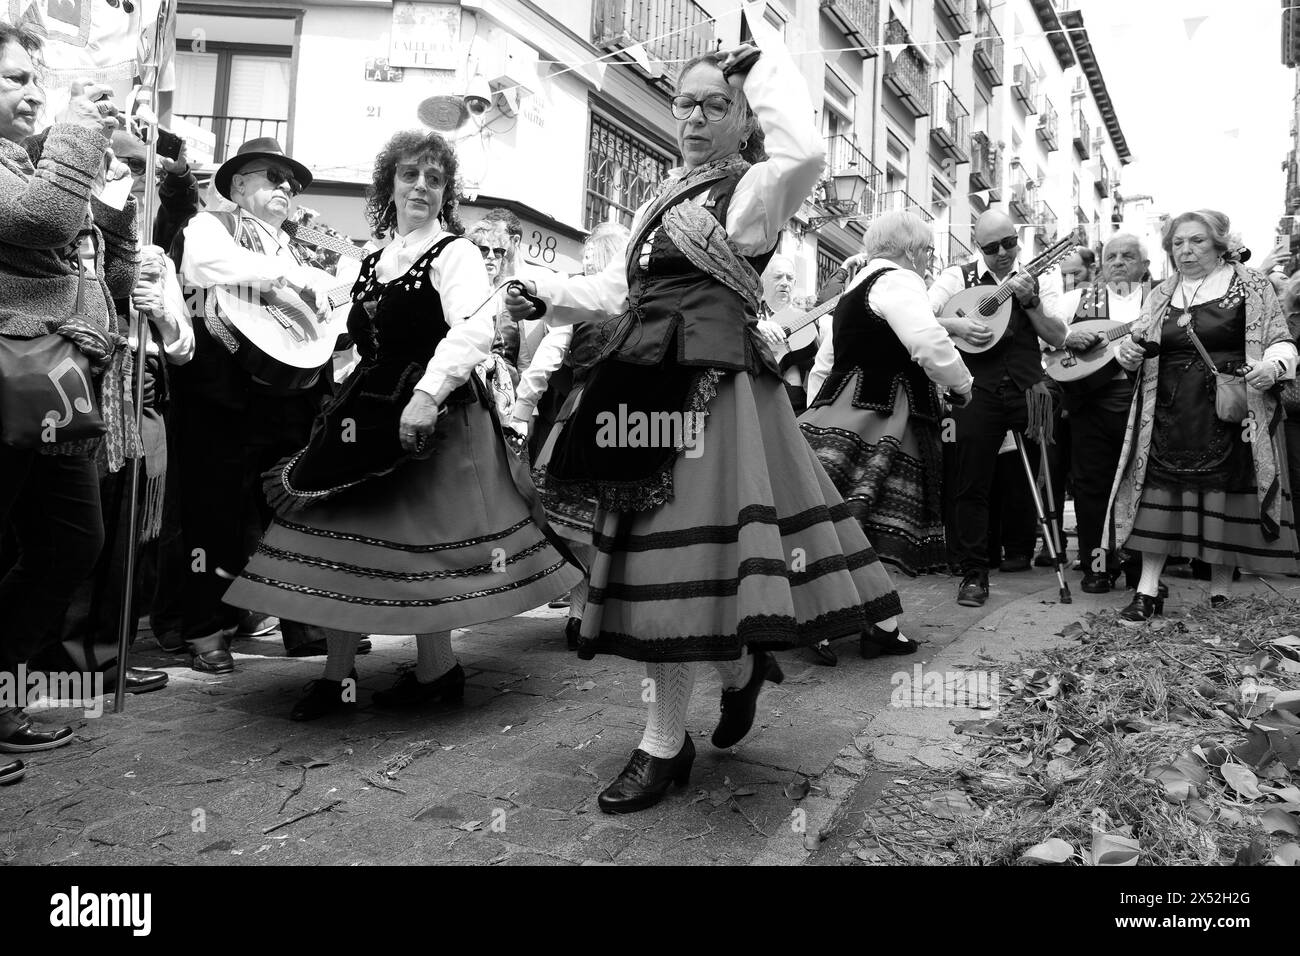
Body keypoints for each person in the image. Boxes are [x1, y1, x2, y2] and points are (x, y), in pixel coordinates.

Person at [507, 10, 902, 814]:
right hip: (637, 381)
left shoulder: (755, 189)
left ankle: (663, 743)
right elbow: (619, 292)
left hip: (711, 393)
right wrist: (545, 296)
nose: (692, 117)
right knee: (666, 565)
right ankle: (739, 672)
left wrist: (765, 66)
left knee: (678, 565)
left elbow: (809, 150)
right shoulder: (661, 197)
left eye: (712, 105)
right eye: (684, 104)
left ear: (743, 116)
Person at [222, 130, 582, 720]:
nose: (421, 186)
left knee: (416, 548)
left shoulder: (457, 254)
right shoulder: (370, 259)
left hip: (431, 415)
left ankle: (437, 671)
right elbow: (351, 337)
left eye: (434, 179)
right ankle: (340, 676)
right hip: (365, 410)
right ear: (390, 182)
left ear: (447, 194)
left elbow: (471, 328)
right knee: (341, 533)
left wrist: (424, 396)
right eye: (410, 175)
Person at [0, 25, 137, 770]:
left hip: (49, 389)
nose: (30, 90)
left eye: (33, 79)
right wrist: (81, 126)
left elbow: (88, 270)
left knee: (69, 542)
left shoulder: (27, 163)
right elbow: (40, 219)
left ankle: (4, 687)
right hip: (9, 379)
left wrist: (115, 237)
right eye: (13, 79)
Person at [27, 125, 194, 695]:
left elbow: (182, 345)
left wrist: (164, 319)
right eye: (118, 168)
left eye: (139, 173)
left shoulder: (147, 254)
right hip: (76, 399)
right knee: (73, 535)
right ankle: (53, 658)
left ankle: (102, 658)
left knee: (127, 539)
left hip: (137, 407)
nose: (132, 183)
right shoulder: (64, 239)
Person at [173, 137, 340, 673]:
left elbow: (337, 295)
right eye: (272, 176)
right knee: (213, 511)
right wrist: (294, 280)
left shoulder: (301, 246)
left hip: (289, 394)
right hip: (222, 393)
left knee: (291, 505)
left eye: (290, 181)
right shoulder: (211, 225)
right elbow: (210, 264)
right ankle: (204, 629)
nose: (286, 187)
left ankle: (305, 623)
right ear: (239, 184)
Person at [797, 212, 973, 665]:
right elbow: (926, 340)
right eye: (929, 251)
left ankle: (874, 625)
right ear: (911, 250)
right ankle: (843, 622)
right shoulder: (899, 281)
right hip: (884, 414)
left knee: (835, 516)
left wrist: (816, 412)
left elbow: (826, 361)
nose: (931, 260)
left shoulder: (854, 290)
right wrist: (962, 383)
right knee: (869, 520)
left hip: (838, 408)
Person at [1107, 210, 1299, 622]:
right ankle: (1147, 590)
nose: (1185, 251)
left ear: (1218, 244)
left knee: (1224, 493)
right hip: (1168, 412)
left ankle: (1220, 593)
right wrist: (1127, 353)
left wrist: (1273, 368)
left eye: (1196, 241)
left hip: (1229, 409)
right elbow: (1138, 343)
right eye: (1177, 243)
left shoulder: (1251, 285)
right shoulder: (1160, 294)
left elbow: (1281, 342)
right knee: (1158, 494)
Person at [928, 210, 1069, 607]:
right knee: (971, 480)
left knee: (1047, 466)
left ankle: (1045, 548)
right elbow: (920, 317)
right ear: (978, 247)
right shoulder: (957, 279)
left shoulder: (1035, 279)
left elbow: (1060, 338)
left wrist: (1032, 302)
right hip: (976, 390)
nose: (1004, 253)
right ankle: (974, 573)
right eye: (993, 248)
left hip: (1027, 389)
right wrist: (955, 327)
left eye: (1010, 243)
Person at [531, 221, 631, 647]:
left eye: (593, 260)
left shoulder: (601, 301)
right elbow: (548, 355)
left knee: (581, 516)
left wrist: (522, 406)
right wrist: (522, 404)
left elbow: (548, 357)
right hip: (613, 413)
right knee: (589, 515)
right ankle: (585, 611)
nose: (587, 267)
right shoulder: (624, 304)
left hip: (604, 411)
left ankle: (584, 612)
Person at [1053, 233, 1150, 593]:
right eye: (1111, 256)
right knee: (1091, 485)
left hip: (1144, 404)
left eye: (1128, 255)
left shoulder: (1158, 301)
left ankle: (1142, 575)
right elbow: (1044, 332)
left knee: (1140, 484)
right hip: (1089, 405)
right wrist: (1064, 338)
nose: (1119, 262)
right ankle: (1098, 567)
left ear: (1145, 266)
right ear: (1101, 265)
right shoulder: (1076, 299)